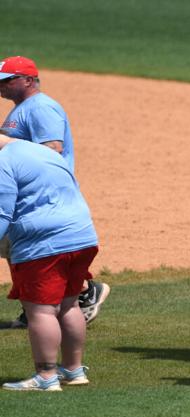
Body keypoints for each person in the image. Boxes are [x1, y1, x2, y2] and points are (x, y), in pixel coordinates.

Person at [0, 55, 106, 328]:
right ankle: (34, 305)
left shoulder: (41, 108)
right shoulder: (23, 107)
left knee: (23, 246)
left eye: (7, 80)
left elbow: (52, 149)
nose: (1, 86)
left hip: (45, 192)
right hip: (28, 190)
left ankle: (84, 290)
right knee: (16, 247)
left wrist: (10, 144)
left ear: (28, 80)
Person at [0, 135, 97, 391]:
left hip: (43, 244)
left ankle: (46, 376)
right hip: (82, 236)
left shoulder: (4, 161)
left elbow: (2, 211)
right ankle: (74, 370)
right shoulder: (45, 153)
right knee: (69, 304)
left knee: (41, 311)